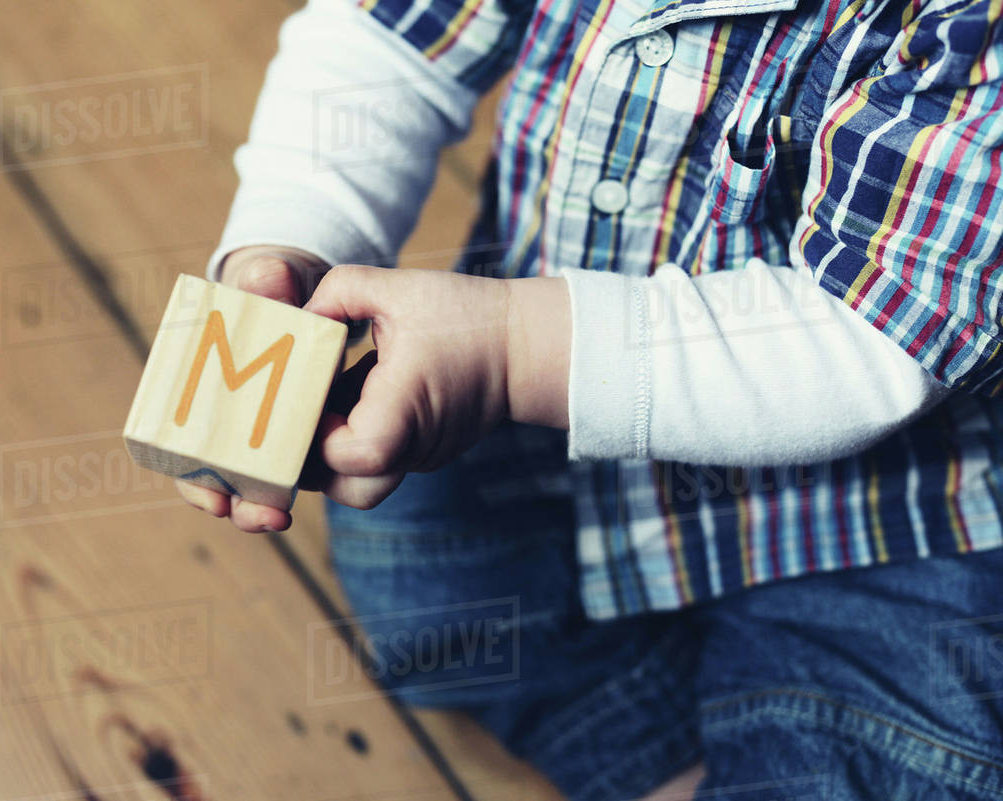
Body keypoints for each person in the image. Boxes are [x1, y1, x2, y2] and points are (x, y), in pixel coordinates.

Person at [178, 0, 1003, 798]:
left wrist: (510, 349)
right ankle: (663, 760)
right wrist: (290, 239)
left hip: (884, 525)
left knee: (894, 738)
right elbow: (386, 39)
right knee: (418, 583)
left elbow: (879, 322)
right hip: (552, 435)